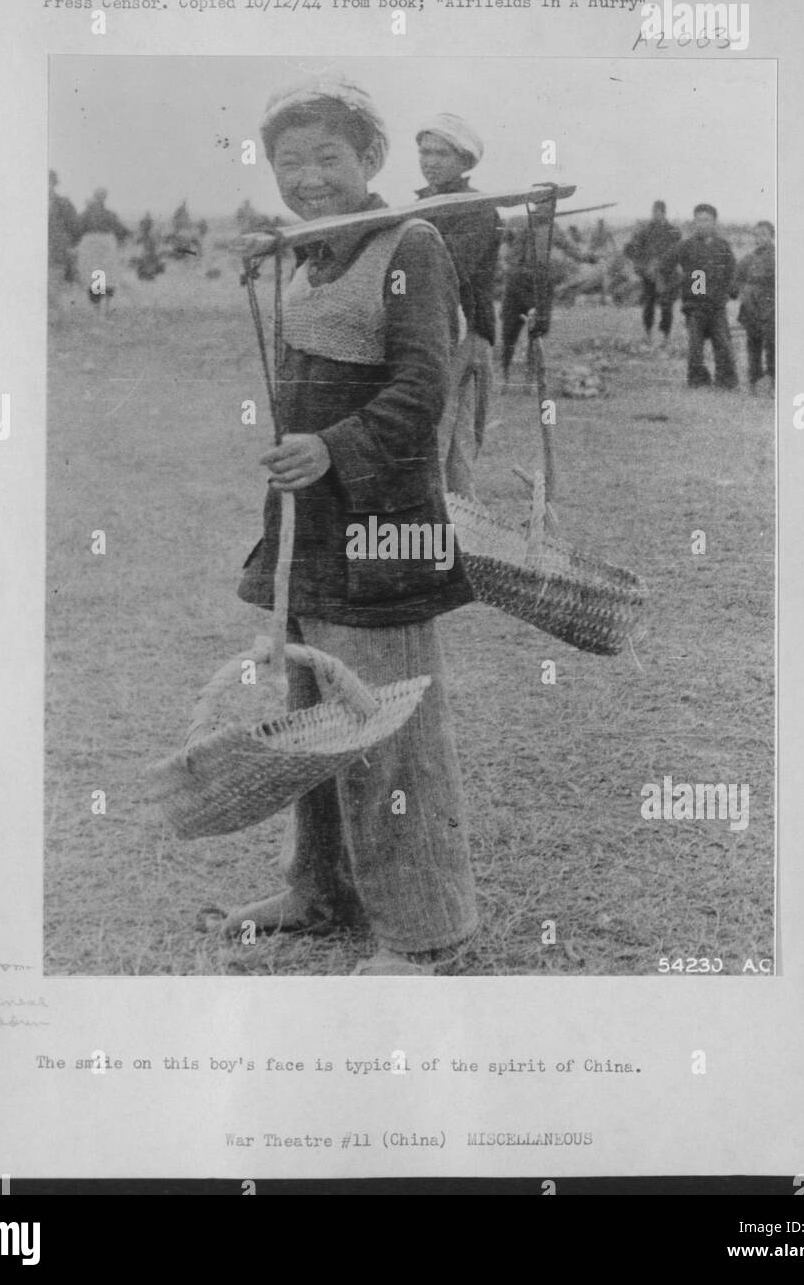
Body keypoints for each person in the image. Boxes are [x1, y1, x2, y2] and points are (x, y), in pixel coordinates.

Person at [223, 78, 480, 975]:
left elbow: (423, 389)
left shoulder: (411, 245)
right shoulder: (312, 251)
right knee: (312, 717)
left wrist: (332, 449)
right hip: (308, 522)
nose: (308, 177)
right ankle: (319, 889)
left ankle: (425, 929)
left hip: (381, 523)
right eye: (289, 162)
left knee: (387, 728)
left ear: (371, 161)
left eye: (328, 157)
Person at [414, 114, 500, 497]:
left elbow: (450, 270)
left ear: (464, 161)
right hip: (425, 331)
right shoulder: (417, 207)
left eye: (440, 153)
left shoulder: (478, 209)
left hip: (464, 333)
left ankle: (459, 525)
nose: (428, 160)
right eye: (423, 151)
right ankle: (436, 521)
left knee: (458, 435)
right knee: (429, 427)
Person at [497, 208, 585, 386]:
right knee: (514, 331)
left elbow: (573, 251)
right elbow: (573, 251)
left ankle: (523, 377)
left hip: (532, 281)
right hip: (526, 282)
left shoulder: (532, 224)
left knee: (532, 332)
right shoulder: (528, 224)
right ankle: (508, 375)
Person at [669, 203, 738, 389]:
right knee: (695, 349)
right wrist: (678, 283)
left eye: (706, 220)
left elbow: (732, 271)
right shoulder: (686, 246)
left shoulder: (722, 246)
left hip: (716, 306)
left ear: (714, 222)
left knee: (723, 344)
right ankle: (698, 381)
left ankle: (726, 381)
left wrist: (729, 290)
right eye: (698, 220)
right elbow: (667, 265)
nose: (702, 224)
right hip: (695, 306)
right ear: (694, 222)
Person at [623, 200, 681, 349]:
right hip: (648, 275)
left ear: (664, 213)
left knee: (667, 307)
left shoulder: (673, 232)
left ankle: (665, 337)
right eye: (654, 212)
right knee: (648, 306)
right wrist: (642, 266)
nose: (656, 215)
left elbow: (677, 252)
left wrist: (665, 265)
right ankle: (648, 334)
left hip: (667, 276)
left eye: (659, 212)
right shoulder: (645, 231)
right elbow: (632, 249)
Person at [735, 220, 776, 390]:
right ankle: (753, 380)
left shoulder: (777, 258)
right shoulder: (748, 259)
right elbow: (736, 280)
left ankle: (774, 381)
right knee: (753, 345)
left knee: (772, 345)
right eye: (756, 235)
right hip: (751, 309)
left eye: (763, 235)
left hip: (770, 310)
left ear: (771, 236)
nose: (759, 239)